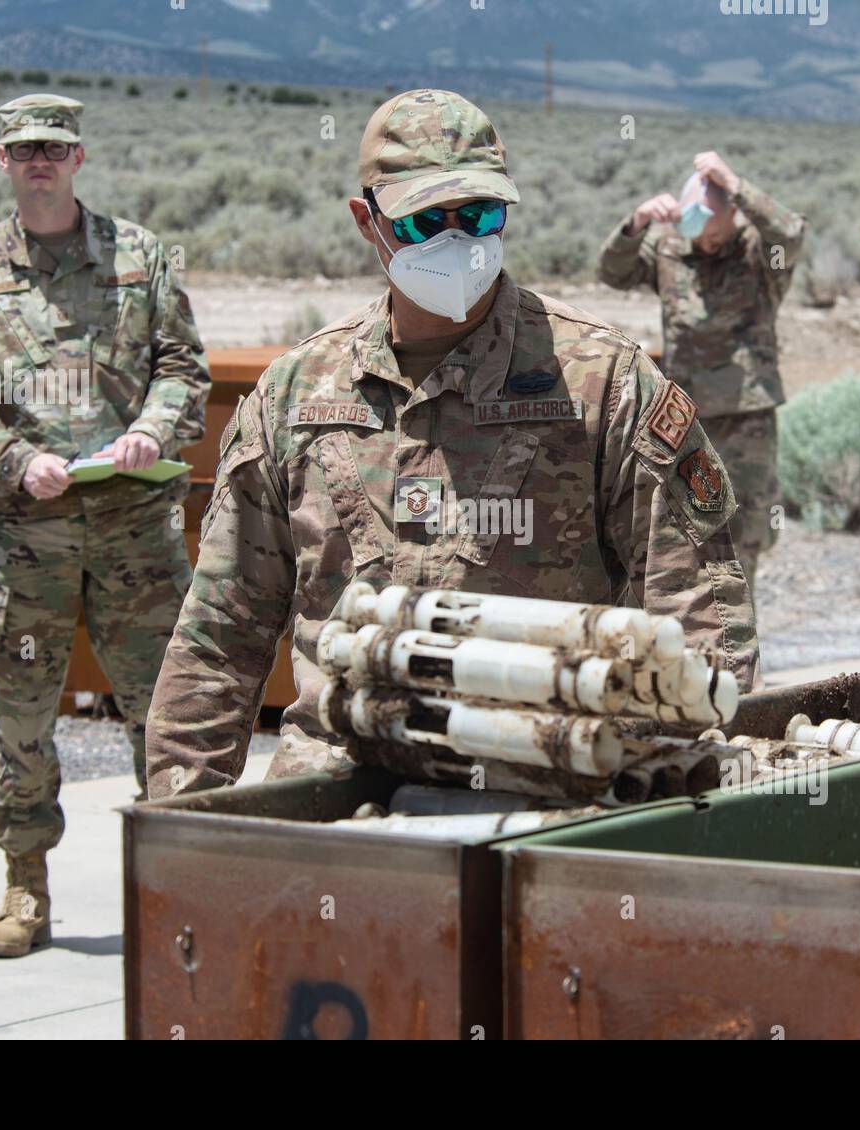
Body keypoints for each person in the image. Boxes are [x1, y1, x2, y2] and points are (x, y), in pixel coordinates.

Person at [144, 89, 759, 801]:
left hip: (545, 789)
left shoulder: (603, 382)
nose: (457, 241)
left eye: (480, 215)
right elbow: (220, 639)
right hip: (339, 801)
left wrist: (700, 813)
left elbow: (703, 621)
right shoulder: (295, 396)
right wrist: (181, 828)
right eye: (424, 220)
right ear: (365, 221)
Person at [0, 93, 210, 957]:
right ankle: (25, 889)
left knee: (162, 711)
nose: (39, 161)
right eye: (23, 150)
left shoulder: (141, 256)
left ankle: (177, 892)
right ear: (4, 163)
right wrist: (17, 460)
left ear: (79, 158)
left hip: (134, 534)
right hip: (24, 540)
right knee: (23, 714)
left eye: (54, 147)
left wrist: (155, 428)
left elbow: (182, 365)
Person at [597, 151, 806, 595]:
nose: (707, 246)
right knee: (677, 528)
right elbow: (612, 272)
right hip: (681, 416)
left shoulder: (758, 251)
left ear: (735, 214)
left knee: (745, 532)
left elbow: (791, 232)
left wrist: (734, 181)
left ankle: (736, 647)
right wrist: (635, 224)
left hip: (744, 416)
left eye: (717, 235)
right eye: (701, 236)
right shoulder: (672, 247)